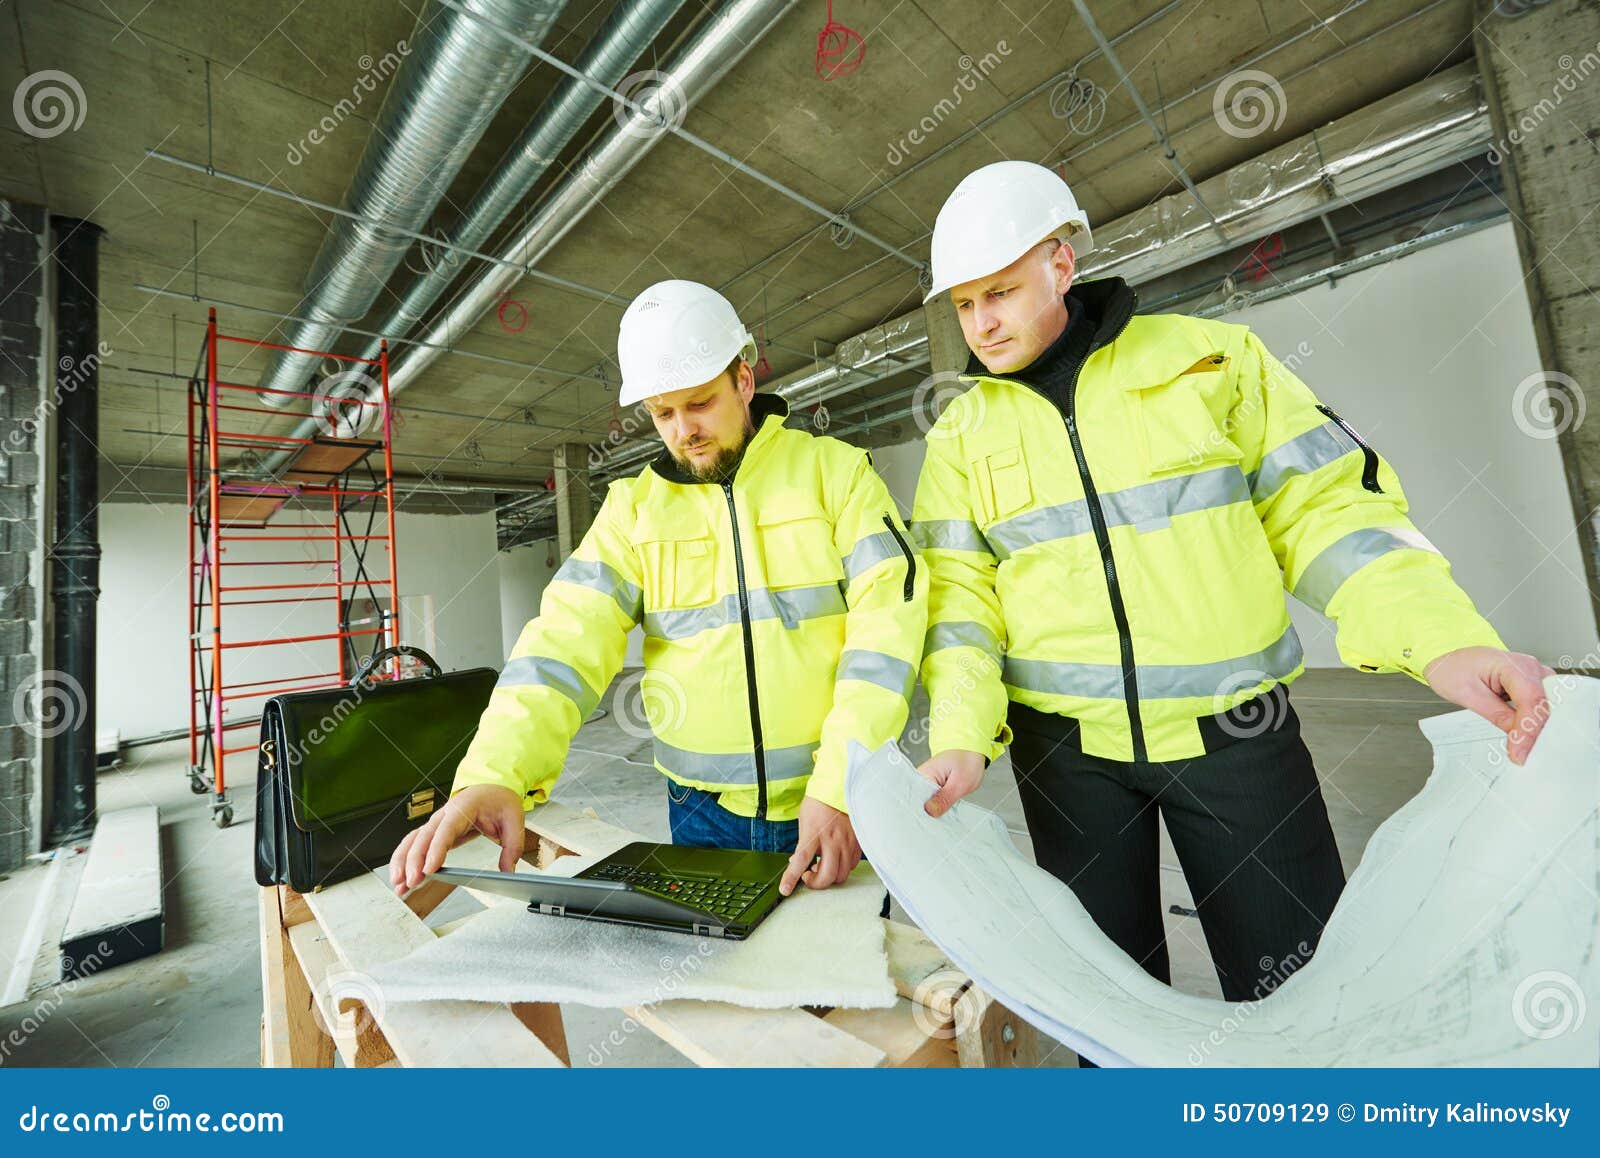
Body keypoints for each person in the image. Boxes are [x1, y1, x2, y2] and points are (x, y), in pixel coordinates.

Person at [910, 160, 1552, 1012]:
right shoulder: (960, 435)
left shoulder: (1210, 361)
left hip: (1239, 735)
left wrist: (1444, 641)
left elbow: (1327, 512)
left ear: (1061, 265)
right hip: (1065, 759)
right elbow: (960, 605)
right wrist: (961, 731)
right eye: (963, 305)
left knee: (1301, 996)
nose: (981, 325)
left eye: (999, 293)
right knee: (1110, 1011)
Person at [390, 280, 927, 899]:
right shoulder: (632, 511)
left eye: (699, 403)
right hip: (700, 816)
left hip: (833, 804)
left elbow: (887, 634)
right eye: (662, 413)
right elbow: (561, 645)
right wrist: (494, 772)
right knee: (716, 964)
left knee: (846, 960)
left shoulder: (835, 474)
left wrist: (841, 785)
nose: (683, 430)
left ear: (743, 381)